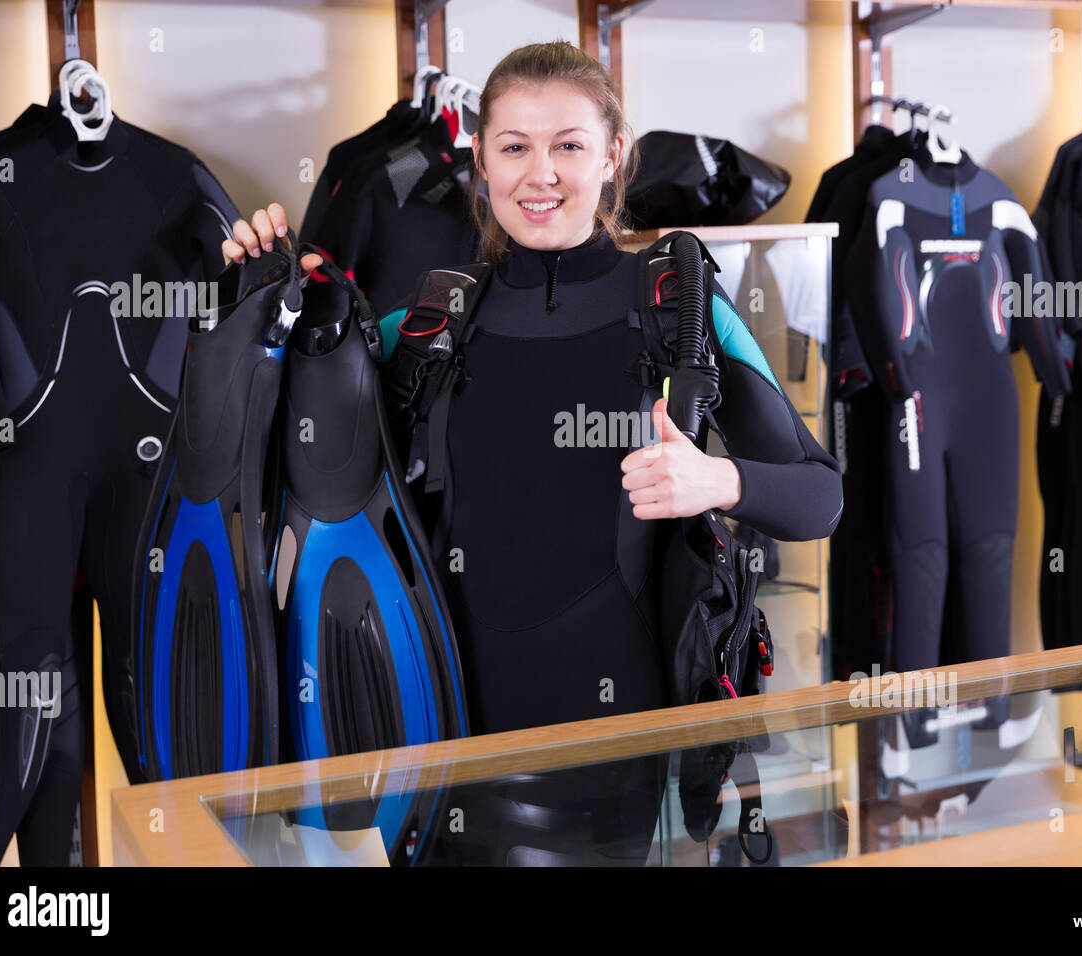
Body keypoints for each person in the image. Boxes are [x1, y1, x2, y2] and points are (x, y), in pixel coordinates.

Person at [224, 40, 842, 865]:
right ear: (480, 158)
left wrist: (715, 479)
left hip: (617, 762)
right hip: (444, 744)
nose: (539, 174)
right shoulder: (428, 325)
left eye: (569, 146)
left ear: (614, 155)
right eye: (514, 147)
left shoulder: (677, 307)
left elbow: (820, 497)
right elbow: (295, 436)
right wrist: (263, 288)